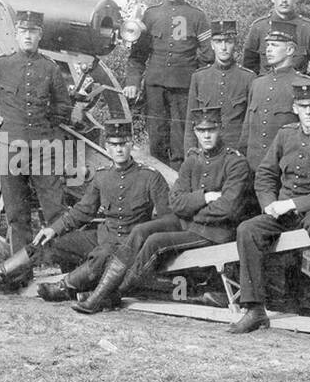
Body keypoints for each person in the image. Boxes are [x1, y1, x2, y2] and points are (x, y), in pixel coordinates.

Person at [70, 105, 250, 315]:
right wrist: (205, 197)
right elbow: (175, 202)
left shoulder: (235, 162)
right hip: (188, 222)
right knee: (140, 231)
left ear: (221, 129)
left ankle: (105, 296)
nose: (207, 135)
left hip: (214, 232)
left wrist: (190, 208)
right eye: (201, 131)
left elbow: (228, 208)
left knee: (154, 242)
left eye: (212, 130)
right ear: (194, 131)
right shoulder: (192, 160)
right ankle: (102, 294)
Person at [0, 9, 75, 293]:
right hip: (11, 147)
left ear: (39, 35)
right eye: (23, 31)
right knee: (17, 213)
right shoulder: (2, 65)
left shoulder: (49, 69)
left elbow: (63, 106)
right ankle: (19, 275)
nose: (28, 36)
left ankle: (71, 273)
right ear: (16, 34)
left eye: (33, 32)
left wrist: (50, 127)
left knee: (56, 211)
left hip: (46, 149)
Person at [230, 76, 310, 336]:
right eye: (303, 106)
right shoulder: (285, 135)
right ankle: (254, 309)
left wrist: (291, 204)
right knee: (247, 229)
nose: (308, 112)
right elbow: (265, 174)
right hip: (281, 212)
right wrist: (269, 204)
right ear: (295, 108)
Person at [31, 120, 169, 307]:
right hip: (103, 236)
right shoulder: (102, 175)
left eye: (123, 144)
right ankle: (3, 275)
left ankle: (65, 287)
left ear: (131, 145)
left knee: (104, 254)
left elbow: (166, 218)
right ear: (107, 147)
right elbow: (83, 210)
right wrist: (53, 229)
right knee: (57, 244)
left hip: (129, 245)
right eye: (114, 144)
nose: (119, 149)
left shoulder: (150, 177)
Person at [123, 0, 213, 168]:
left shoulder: (196, 16)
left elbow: (209, 54)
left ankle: (179, 188)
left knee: (182, 140)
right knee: (157, 138)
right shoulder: (151, 15)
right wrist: (133, 82)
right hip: (155, 88)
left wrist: (189, 68)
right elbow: (137, 55)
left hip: (184, 89)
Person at [239, 20, 303, 194]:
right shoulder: (257, 83)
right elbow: (247, 128)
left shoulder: (301, 84)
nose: (268, 49)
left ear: (290, 50)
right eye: (267, 45)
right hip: (254, 169)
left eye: (274, 45)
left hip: (284, 172)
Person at [182, 20, 255, 151]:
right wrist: (191, 153)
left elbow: (249, 124)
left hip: (235, 151)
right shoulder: (199, 77)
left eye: (228, 41)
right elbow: (190, 121)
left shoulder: (248, 78)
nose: (223, 47)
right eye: (218, 42)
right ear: (212, 45)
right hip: (206, 152)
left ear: (235, 44)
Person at [242, 0, 310, 78]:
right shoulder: (259, 27)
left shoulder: (308, 29)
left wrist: (307, 87)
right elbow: (249, 68)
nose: (284, 0)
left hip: (297, 90)